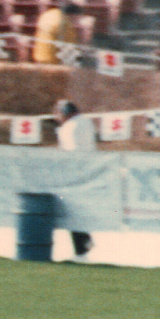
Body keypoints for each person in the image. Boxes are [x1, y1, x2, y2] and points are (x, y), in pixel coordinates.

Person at [53, 100, 94, 259]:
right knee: (79, 208)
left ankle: (82, 245)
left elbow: (68, 152)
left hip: (73, 173)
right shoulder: (86, 122)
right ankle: (84, 239)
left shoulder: (67, 128)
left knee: (70, 209)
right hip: (89, 169)